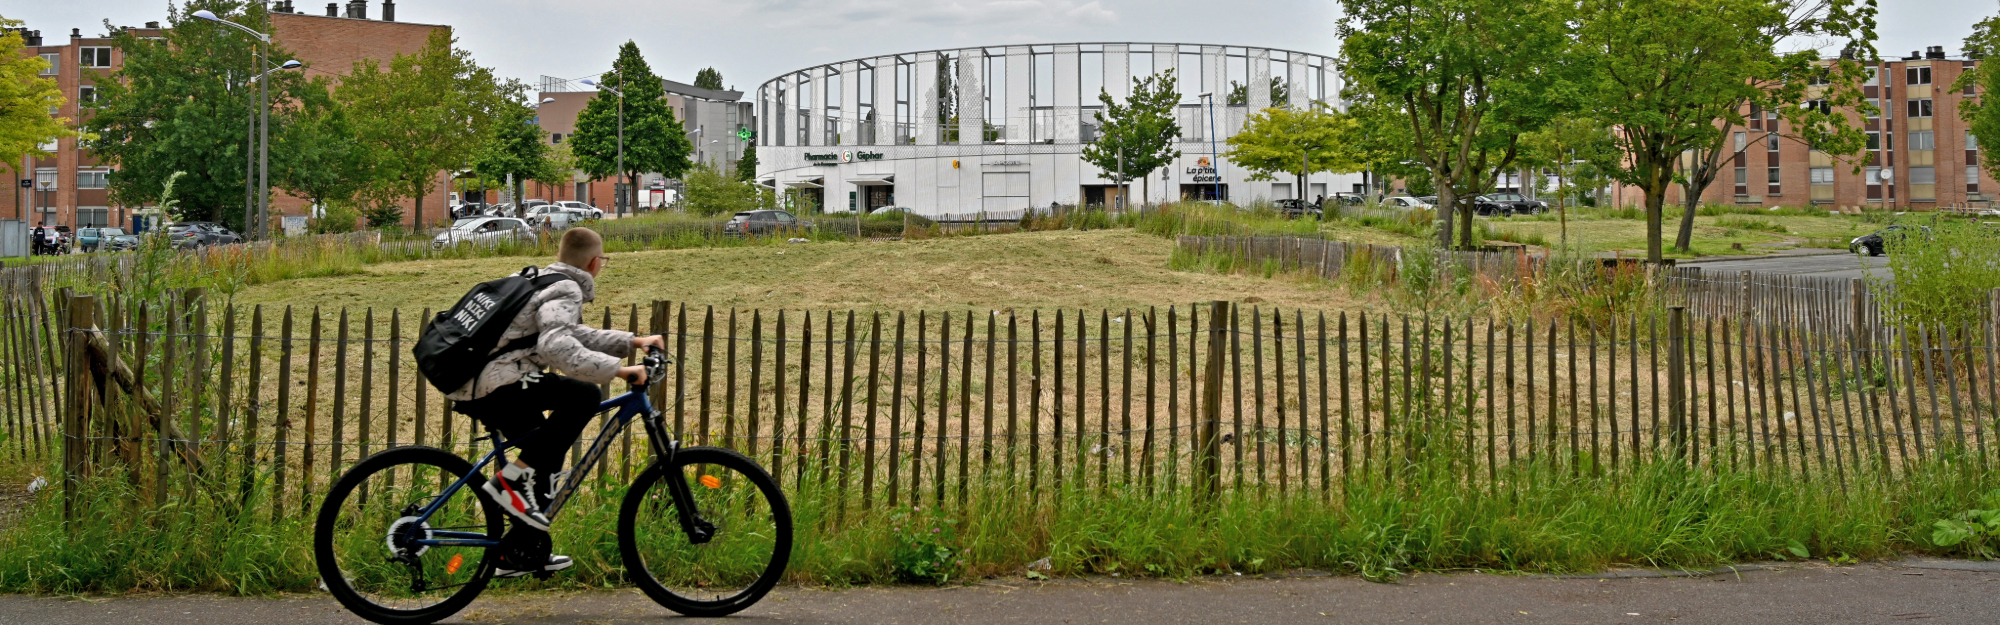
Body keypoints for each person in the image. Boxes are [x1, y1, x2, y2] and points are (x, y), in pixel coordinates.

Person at [447, 227, 667, 576]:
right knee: (584, 395)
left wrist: (633, 341)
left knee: (546, 453)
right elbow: (556, 347)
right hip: (497, 381)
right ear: (596, 262)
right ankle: (506, 485)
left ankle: (518, 552)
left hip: (480, 380)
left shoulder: (543, 279)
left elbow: (571, 333)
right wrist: (621, 372)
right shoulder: (566, 288)